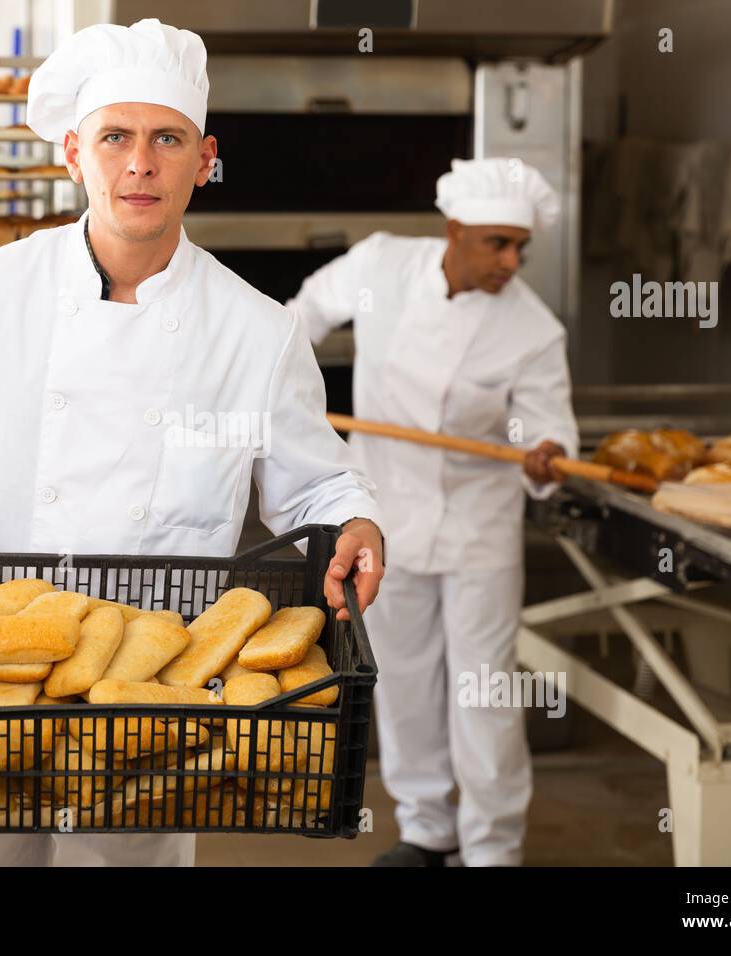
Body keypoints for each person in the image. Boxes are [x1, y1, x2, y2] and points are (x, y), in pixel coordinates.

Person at [0, 18, 385, 867]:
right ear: (74, 152)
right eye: (116, 137)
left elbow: (319, 488)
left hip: (155, 696)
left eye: (167, 139)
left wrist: (355, 523)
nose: (140, 163)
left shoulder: (258, 331)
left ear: (205, 158)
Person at [286, 158, 579, 867]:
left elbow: (550, 429)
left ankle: (491, 848)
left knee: (484, 693)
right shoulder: (383, 264)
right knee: (406, 680)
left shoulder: (533, 330)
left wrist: (543, 452)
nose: (512, 261)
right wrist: (289, 399)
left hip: (478, 529)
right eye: (497, 244)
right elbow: (297, 319)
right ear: (455, 230)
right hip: (382, 514)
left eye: (520, 247)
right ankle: (426, 831)